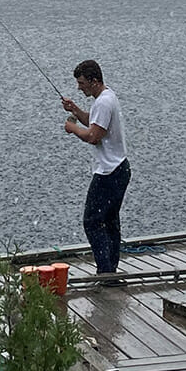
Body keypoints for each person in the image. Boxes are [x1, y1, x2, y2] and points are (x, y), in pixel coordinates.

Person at [60, 58, 129, 274]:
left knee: (91, 221)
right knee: (109, 221)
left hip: (109, 173)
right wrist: (76, 110)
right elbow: (94, 120)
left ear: (94, 81)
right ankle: (110, 270)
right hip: (119, 168)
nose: (79, 87)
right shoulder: (107, 96)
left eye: (81, 83)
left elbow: (93, 135)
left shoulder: (103, 102)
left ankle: (105, 271)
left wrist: (72, 128)